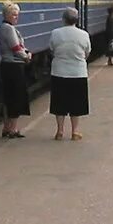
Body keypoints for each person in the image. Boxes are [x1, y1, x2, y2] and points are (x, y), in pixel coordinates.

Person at [49, 8, 91, 140]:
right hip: (78, 73)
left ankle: (60, 130)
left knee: (59, 103)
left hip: (59, 72)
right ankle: (74, 131)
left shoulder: (55, 33)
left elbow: (52, 50)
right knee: (76, 104)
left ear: (63, 19)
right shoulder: (84, 34)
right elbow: (87, 52)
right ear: (76, 20)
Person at [0, 2, 32, 138]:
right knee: (15, 98)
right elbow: (16, 47)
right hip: (13, 67)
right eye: (13, 14)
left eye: (17, 14)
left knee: (9, 98)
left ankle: (7, 128)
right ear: (7, 15)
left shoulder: (5, 27)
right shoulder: (8, 28)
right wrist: (26, 57)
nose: (16, 17)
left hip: (8, 65)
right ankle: (13, 129)